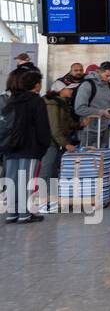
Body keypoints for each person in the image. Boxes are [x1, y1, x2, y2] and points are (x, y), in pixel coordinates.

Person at [3, 67, 51, 223]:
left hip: (10, 147)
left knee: (12, 180)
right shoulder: (36, 100)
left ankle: (12, 213)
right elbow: (42, 126)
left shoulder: (11, 100)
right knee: (27, 180)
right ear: (37, 85)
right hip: (30, 148)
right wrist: (43, 146)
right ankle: (24, 214)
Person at [40, 79, 80, 214]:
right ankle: (43, 202)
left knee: (53, 171)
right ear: (61, 90)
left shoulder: (62, 104)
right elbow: (54, 128)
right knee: (47, 171)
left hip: (56, 143)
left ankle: (51, 201)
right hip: (50, 143)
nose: (72, 91)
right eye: (70, 89)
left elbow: (67, 123)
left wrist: (80, 124)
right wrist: (66, 144)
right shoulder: (52, 104)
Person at [73, 61, 110, 149]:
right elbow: (79, 108)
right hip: (89, 130)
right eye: (107, 75)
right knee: (89, 160)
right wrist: (102, 112)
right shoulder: (87, 85)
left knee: (103, 160)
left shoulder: (109, 86)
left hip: (105, 129)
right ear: (99, 71)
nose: (109, 78)